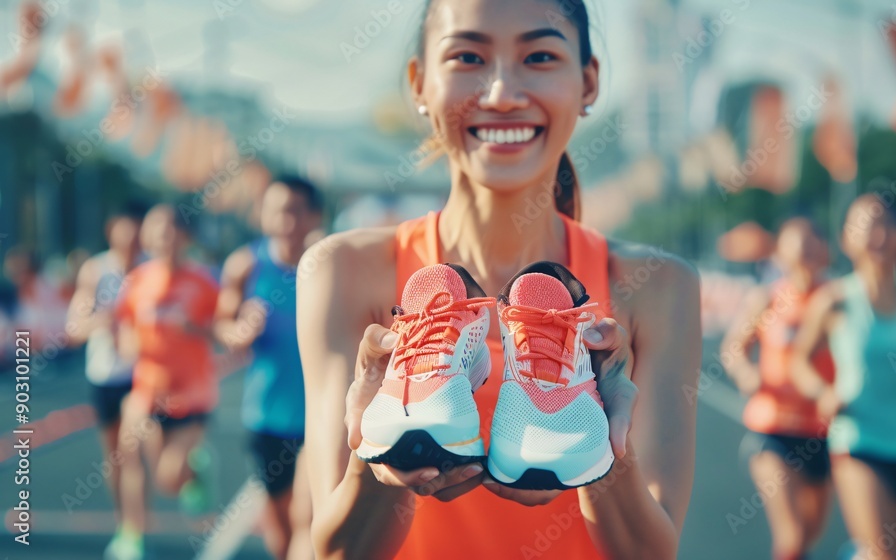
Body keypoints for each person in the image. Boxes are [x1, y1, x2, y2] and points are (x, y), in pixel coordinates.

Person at [296, 0, 701, 558]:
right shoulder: (339, 270)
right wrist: (382, 465)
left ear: (587, 83)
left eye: (539, 56)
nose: (502, 92)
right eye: (468, 56)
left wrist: (607, 456)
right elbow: (339, 553)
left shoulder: (659, 287)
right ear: (419, 82)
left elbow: (651, 554)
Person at [791, 195, 896, 560]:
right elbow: (800, 361)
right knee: (882, 554)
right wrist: (823, 392)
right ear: (846, 239)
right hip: (859, 439)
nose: (880, 233)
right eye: (866, 224)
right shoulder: (835, 299)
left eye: (889, 223)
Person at [214, 176, 321, 559]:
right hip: (266, 413)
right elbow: (222, 325)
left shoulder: (329, 263)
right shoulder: (245, 265)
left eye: (295, 211)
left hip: (319, 414)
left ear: (314, 216)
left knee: (307, 513)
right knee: (279, 518)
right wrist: (239, 330)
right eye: (277, 211)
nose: (286, 221)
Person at [109, 204, 220, 560]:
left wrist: (195, 329)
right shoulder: (137, 280)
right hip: (148, 390)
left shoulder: (203, 283)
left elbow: (222, 331)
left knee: (168, 480)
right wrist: (129, 345)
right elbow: (123, 328)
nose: (161, 235)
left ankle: (194, 472)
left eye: (169, 228)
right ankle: (132, 533)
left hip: (192, 395)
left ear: (184, 236)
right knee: (129, 455)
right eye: (154, 228)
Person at [722, 218, 834, 560]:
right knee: (793, 534)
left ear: (826, 249)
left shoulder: (838, 299)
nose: (805, 248)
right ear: (780, 251)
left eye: (813, 240)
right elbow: (733, 348)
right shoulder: (768, 298)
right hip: (773, 429)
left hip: (824, 431)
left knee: (810, 536)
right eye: (795, 241)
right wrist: (745, 373)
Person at [64, 205, 145, 527]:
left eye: (138, 231)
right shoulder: (95, 271)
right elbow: (74, 328)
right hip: (105, 375)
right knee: (115, 458)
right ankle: (125, 522)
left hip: (144, 376)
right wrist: (105, 321)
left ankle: (136, 528)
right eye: (124, 230)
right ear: (111, 231)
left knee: (133, 452)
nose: (131, 238)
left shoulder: (154, 269)